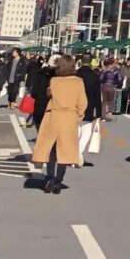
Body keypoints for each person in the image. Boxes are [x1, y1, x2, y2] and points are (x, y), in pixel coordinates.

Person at [31, 56, 87, 193]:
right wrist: (78, 117)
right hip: (69, 118)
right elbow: (82, 103)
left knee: (51, 149)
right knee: (65, 151)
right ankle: (58, 181)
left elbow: (49, 95)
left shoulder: (54, 80)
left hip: (54, 116)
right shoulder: (78, 82)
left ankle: (50, 177)